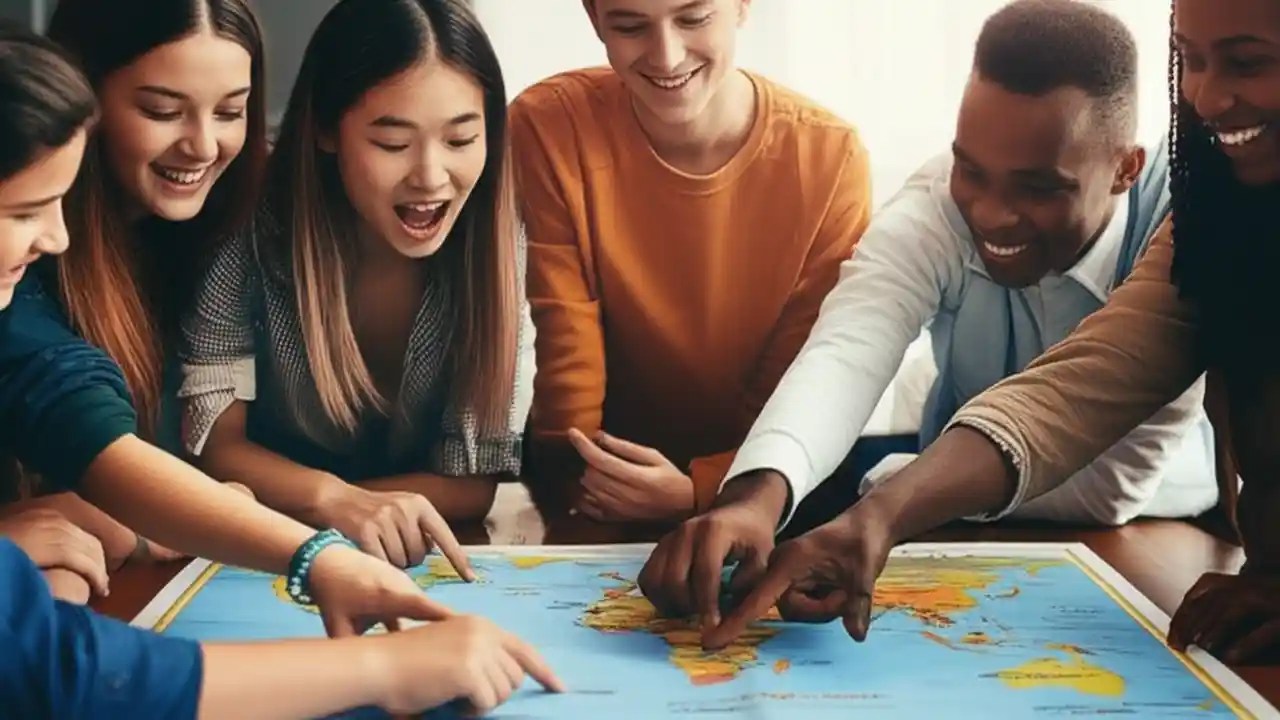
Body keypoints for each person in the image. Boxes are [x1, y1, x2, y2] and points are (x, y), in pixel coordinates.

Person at [645, 0, 1280, 666]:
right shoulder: (1218, 207)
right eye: (1189, 57)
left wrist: (889, 492)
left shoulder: (1177, 200)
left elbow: (1112, 483)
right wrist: (850, 512)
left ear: (1124, 169)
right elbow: (1072, 387)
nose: (1205, 98)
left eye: (1247, 62)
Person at [0, 24, 563, 719]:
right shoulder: (247, 243)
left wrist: (316, 560)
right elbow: (68, 673)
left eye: (232, 110)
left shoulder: (55, 313)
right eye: (24, 211)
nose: (57, 237)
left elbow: (83, 429)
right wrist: (380, 665)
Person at [728, 0, 1217, 537]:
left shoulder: (1189, 208)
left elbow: (1113, 490)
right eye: (971, 170)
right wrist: (755, 497)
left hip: (1160, 528)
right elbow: (848, 348)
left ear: (1125, 169)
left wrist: (899, 485)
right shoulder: (937, 202)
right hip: (954, 523)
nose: (990, 213)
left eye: (1037, 188)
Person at [179, 0, 533, 568]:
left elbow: (471, 484)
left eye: (461, 140)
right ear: (324, 129)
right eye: (392, 144)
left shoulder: (494, 241)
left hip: (393, 551)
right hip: (258, 551)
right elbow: (215, 449)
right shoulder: (250, 228)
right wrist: (331, 500)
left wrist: (344, 504)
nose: (431, 177)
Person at [511, 0, 873, 523]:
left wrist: (708, 490)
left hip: (768, 482)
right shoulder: (549, 125)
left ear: (742, 6)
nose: (666, 55)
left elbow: (804, 380)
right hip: (599, 479)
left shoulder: (829, 160)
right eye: (631, 26)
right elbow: (567, 344)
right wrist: (585, 482)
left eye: (694, 19)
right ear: (594, 18)